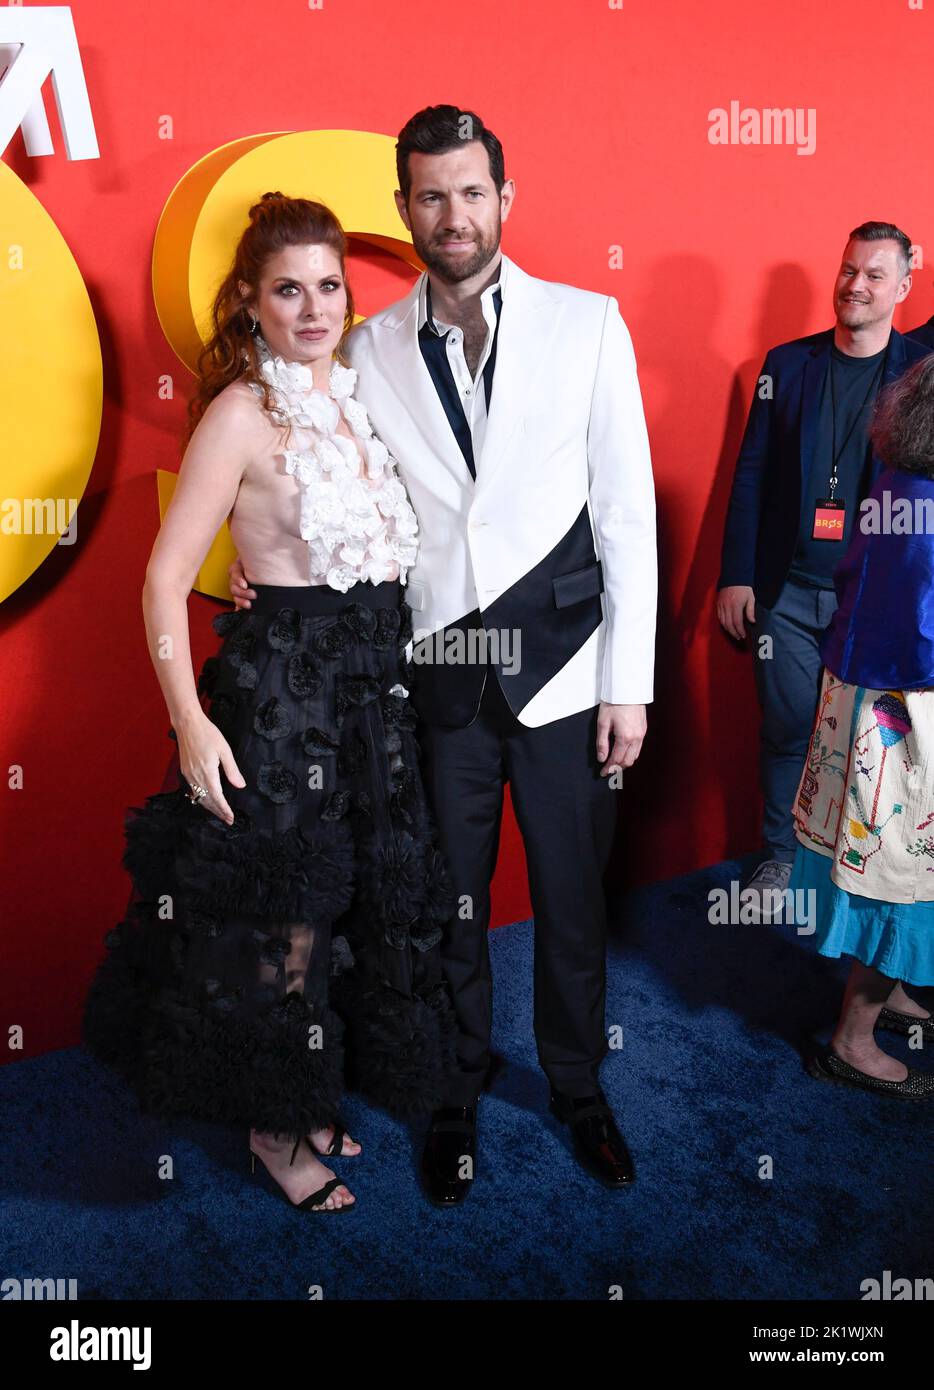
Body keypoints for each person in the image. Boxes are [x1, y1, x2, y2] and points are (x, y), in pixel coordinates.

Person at [229, 105, 658, 1203]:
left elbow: (626, 517)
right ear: (403, 209)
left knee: (571, 900)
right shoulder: (365, 348)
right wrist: (249, 562)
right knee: (445, 906)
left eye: (472, 192)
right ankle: (453, 1093)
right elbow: (329, 480)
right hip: (440, 676)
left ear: (504, 201)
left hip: (566, 669)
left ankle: (577, 1089)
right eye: (430, 195)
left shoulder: (589, 324)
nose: (452, 214)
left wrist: (630, 686)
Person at [82, 193, 458, 1212]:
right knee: (280, 916)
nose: (313, 307)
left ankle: (314, 1087)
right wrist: (189, 721)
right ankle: (272, 1123)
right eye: (287, 289)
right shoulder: (241, 412)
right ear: (250, 303)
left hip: (374, 694)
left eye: (328, 285)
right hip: (280, 697)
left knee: (354, 908)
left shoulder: (367, 393)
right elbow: (162, 579)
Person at [717, 222, 930, 919]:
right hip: (786, 594)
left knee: (866, 748)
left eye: (874, 275)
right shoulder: (788, 364)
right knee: (787, 731)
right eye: (848, 270)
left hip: (874, 602)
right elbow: (750, 474)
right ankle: (782, 857)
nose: (856, 285)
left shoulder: (919, 370)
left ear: (903, 286)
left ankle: (847, 869)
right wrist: (735, 574)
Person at [788, 354, 934, 1099]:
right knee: (900, 875)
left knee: (886, 867)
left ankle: (896, 993)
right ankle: (852, 1038)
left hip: (862, 699)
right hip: (907, 719)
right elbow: (924, 631)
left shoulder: (897, 486)